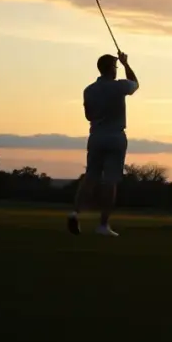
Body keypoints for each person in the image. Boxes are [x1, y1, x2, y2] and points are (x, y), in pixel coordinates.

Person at [68, 51, 139, 237]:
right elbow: (135, 84)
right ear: (110, 69)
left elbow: (88, 116)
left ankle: (75, 212)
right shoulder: (119, 86)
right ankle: (103, 225)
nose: (117, 70)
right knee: (110, 181)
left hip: (96, 136)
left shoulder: (89, 90)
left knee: (90, 177)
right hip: (115, 137)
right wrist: (126, 64)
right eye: (115, 67)